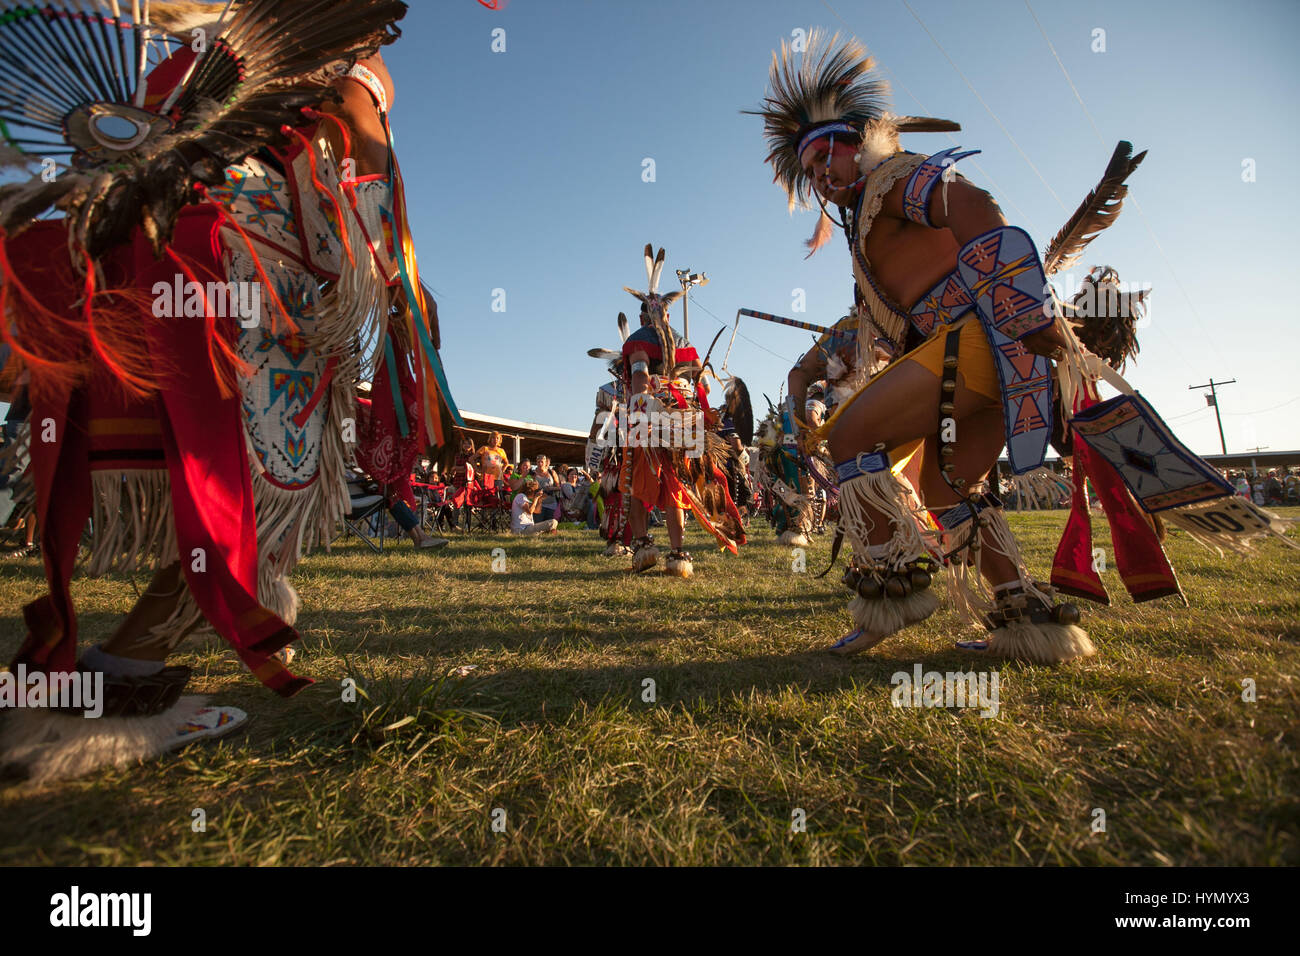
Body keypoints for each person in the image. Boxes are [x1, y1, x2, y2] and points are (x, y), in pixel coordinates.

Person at [0, 2, 422, 782]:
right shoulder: (337, 48)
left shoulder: (194, 46)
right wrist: (386, 280)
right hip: (256, 267)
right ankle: (123, 675)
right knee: (255, 486)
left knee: (222, 470)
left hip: (162, 252)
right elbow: (367, 160)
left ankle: (197, 624)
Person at [752, 32, 1094, 661]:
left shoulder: (895, 180)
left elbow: (972, 204)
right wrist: (804, 380)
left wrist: (1019, 305)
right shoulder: (868, 237)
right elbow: (864, 332)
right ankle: (1032, 625)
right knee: (945, 490)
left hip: (977, 347)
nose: (822, 176)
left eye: (827, 156)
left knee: (852, 437)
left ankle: (888, 600)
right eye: (810, 171)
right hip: (975, 361)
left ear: (858, 142)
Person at [616, 244, 747, 576]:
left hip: (648, 413)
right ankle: (678, 554)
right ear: (668, 315)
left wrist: (644, 400)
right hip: (684, 416)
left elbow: (640, 374)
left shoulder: (639, 340)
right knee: (676, 485)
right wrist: (706, 421)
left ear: (644, 316)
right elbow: (698, 388)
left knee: (637, 479)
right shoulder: (684, 344)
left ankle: (644, 545)